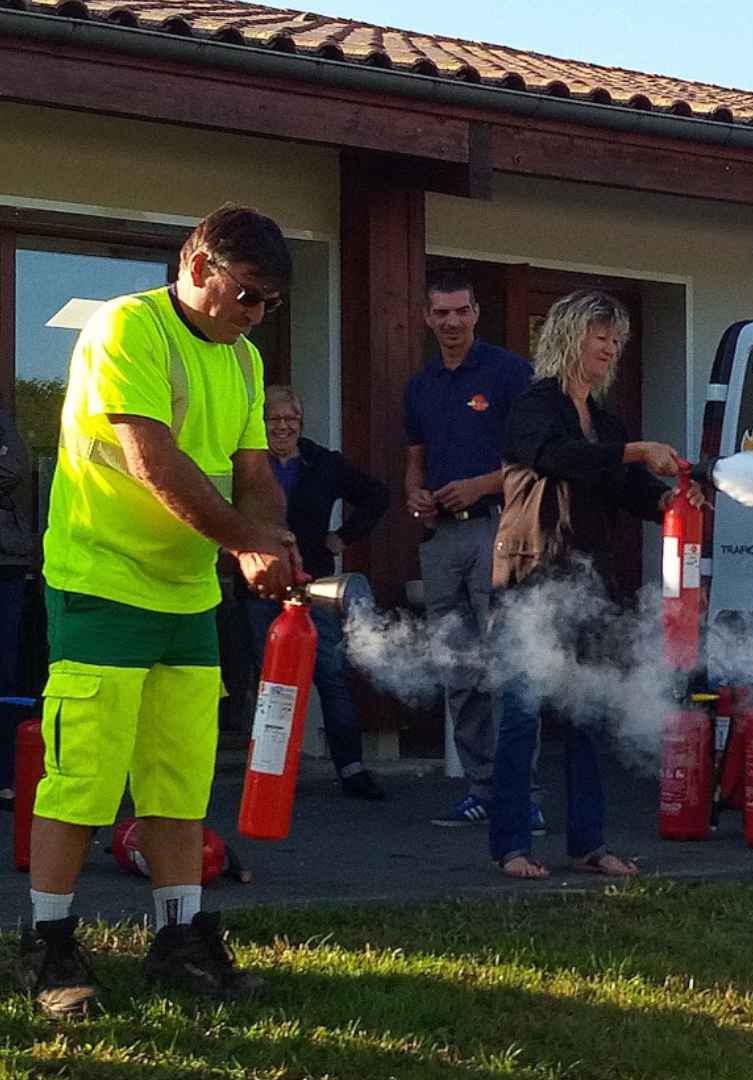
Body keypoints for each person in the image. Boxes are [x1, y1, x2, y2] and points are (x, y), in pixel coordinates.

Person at [19, 204, 298, 1017]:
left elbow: (254, 470)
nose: (256, 314)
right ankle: (47, 946)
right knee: (82, 780)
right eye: (248, 295)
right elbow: (153, 461)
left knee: (178, 780)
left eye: (271, 303)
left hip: (186, 592)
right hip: (102, 582)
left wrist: (271, 537)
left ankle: (181, 940)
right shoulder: (126, 329)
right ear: (200, 266)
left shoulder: (242, 359)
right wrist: (245, 542)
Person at [488, 289, 704, 879]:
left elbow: (622, 485)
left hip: (586, 582)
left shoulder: (605, 422)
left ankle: (588, 844)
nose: (611, 348)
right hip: (530, 579)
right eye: (601, 336)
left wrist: (669, 500)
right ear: (569, 337)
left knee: (588, 714)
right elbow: (561, 458)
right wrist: (635, 452)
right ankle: (511, 847)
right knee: (522, 715)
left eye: (616, 340)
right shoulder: (534, 406)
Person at [403, 270, 537, 829]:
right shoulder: (422, 384)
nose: (452, 322)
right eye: (442, 313)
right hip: (441, 538)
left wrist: (480, 486)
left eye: (461, 311)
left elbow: (535, 458)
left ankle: (521, 796)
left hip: (497, 530)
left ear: (476, 313)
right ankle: (481, 789)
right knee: (458, 668)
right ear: (427, 318)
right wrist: (415, 492)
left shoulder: (509, 373)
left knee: (506, 664)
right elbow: (415, 456)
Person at [241, 384, 389, 800]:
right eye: (273, 419)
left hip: (314, 589)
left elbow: (377, 495)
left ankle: (352, 770)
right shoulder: (247, 463)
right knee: (271, 685)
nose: (282, 427)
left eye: (290, 419)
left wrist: (342, 537)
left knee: (331, 677)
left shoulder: (323, 462)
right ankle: (270, 776)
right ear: (260, 423)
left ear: (301, 422)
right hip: (260, 590)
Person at [0, 401, 33, 810]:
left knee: (5, 674)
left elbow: (14, 470)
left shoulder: (3, 422)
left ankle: (6, 776)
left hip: (5, 565)